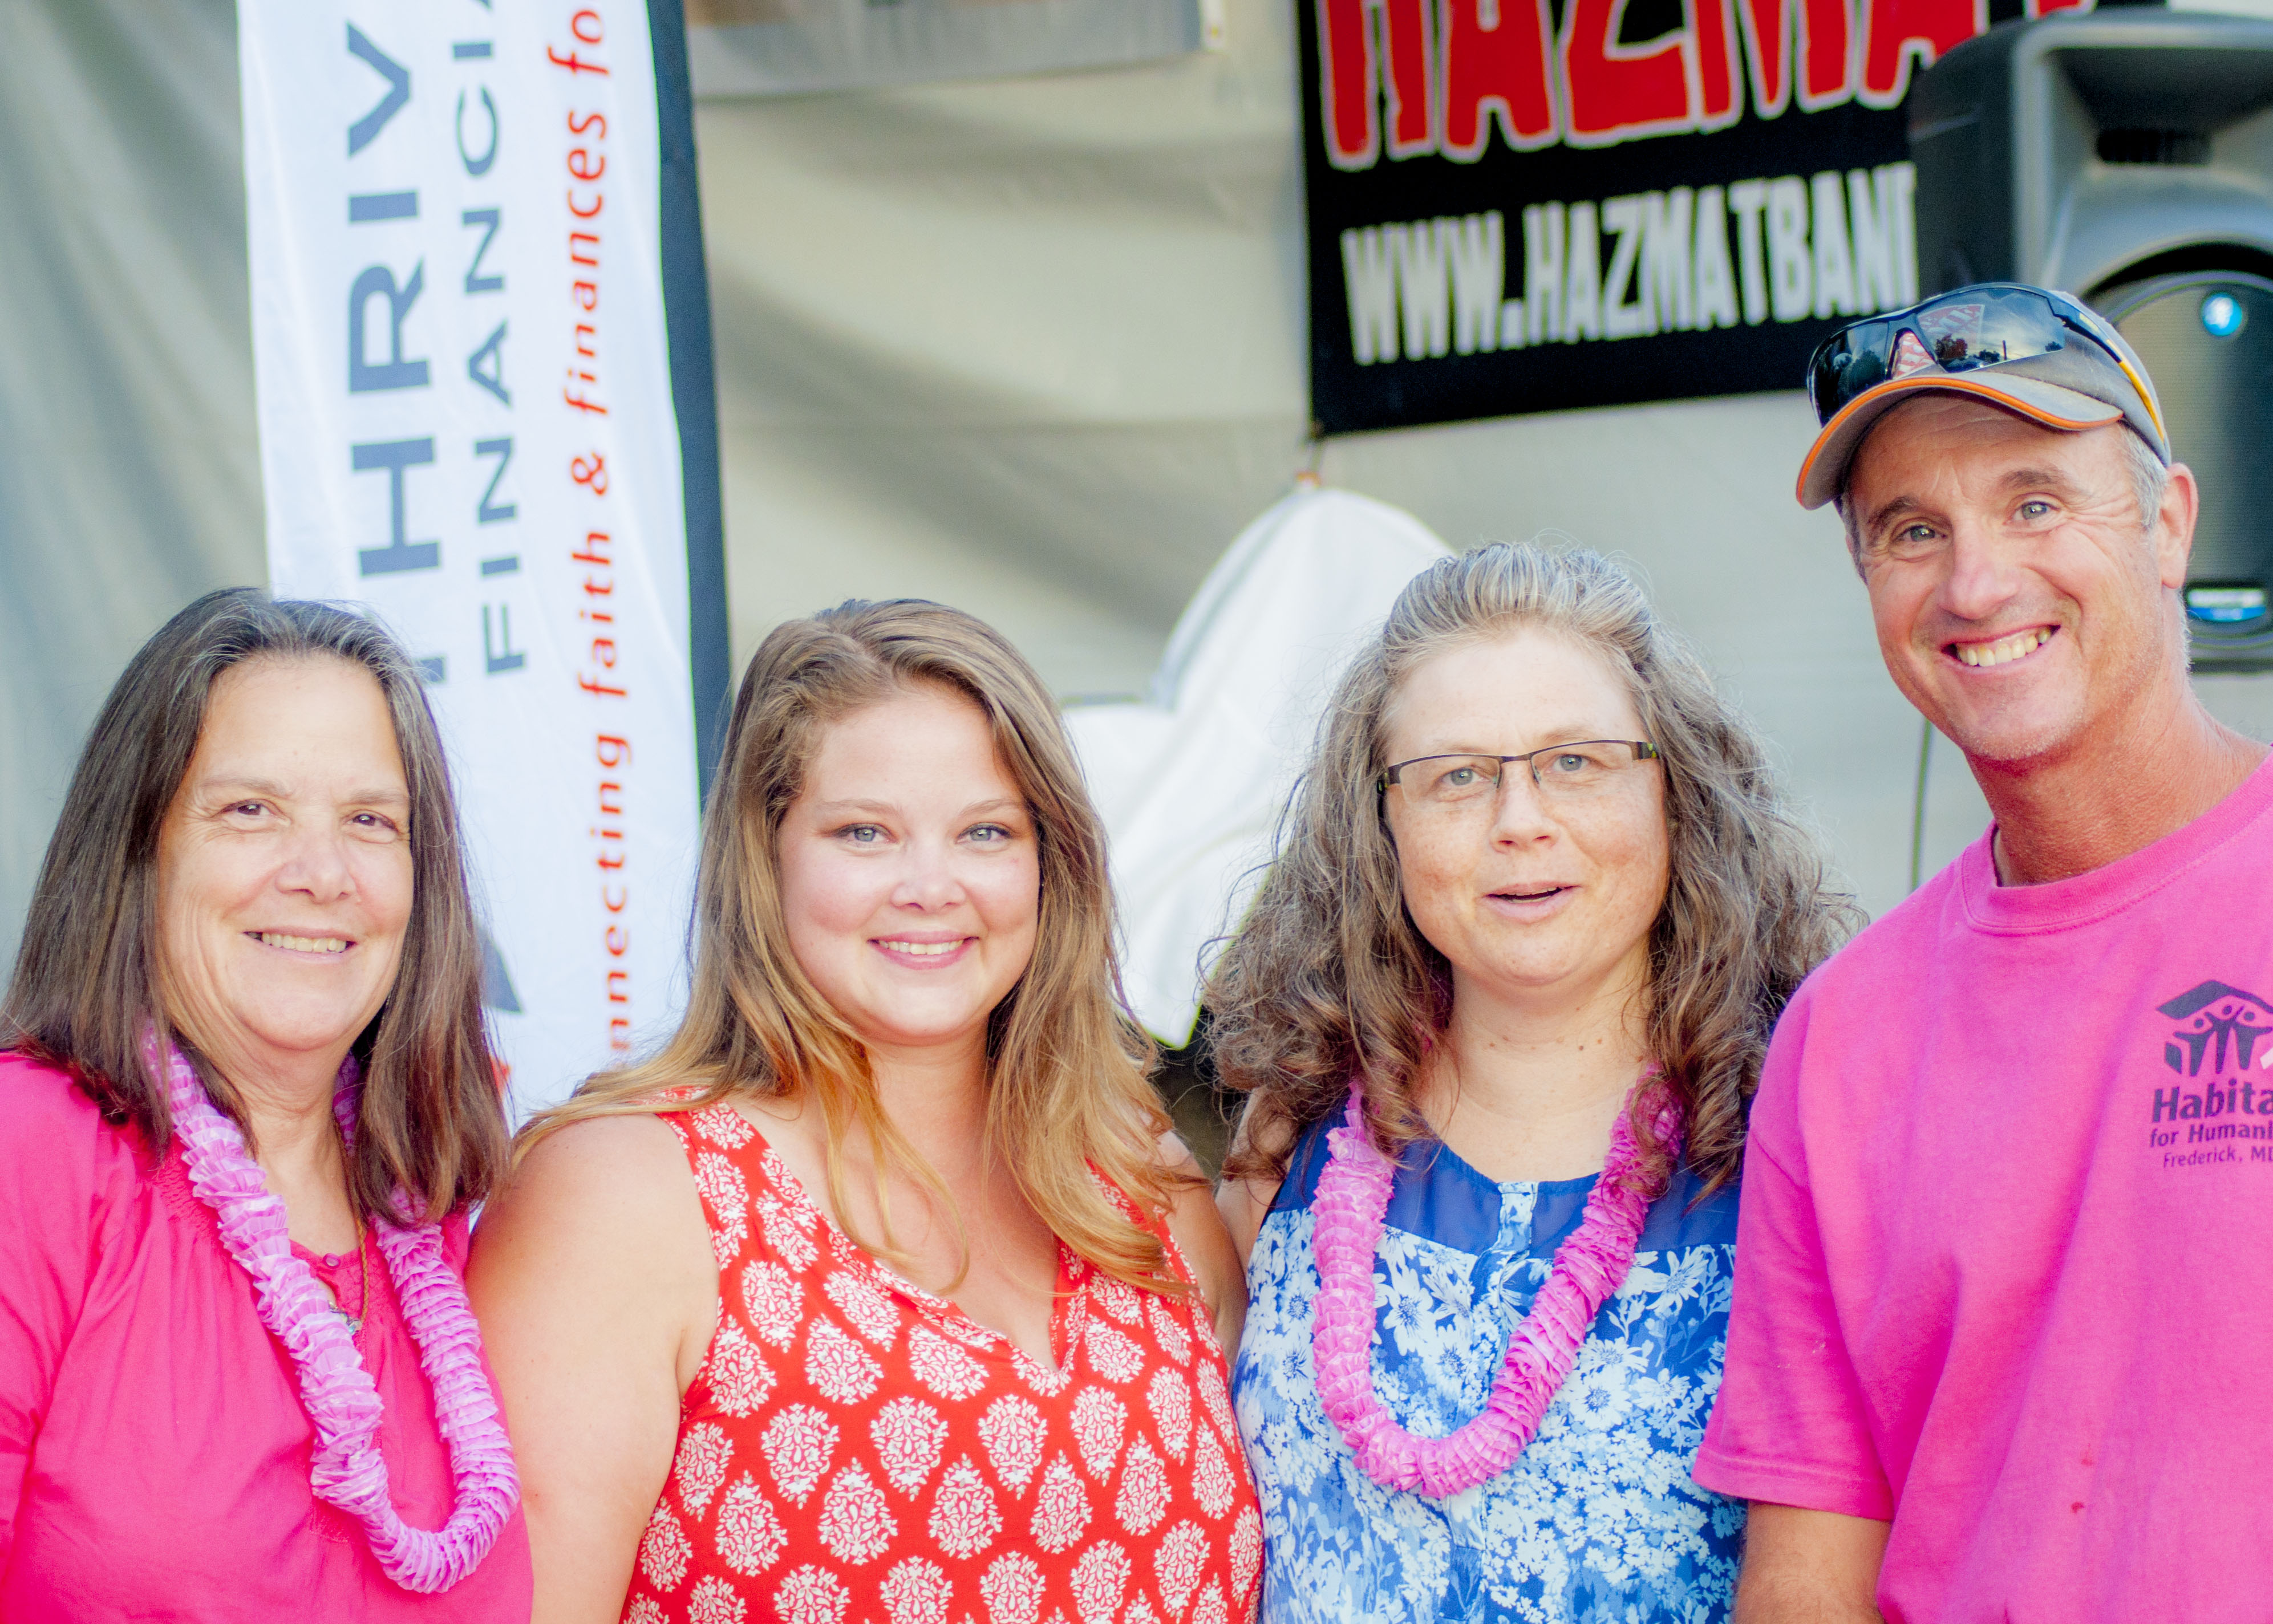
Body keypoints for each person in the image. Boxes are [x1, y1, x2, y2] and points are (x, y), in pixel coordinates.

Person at [1696, 283, 2273, 1621]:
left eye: (2035, 501)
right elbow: (1805, 1581)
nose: (1974, 581)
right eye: (1910, 529)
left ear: (2164, 526)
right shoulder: (1839, 1033)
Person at [469, 599, 1263, 1624]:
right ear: (768, 856)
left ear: (1047, 864)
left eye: (986, 831)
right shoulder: (624, 1196)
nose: (931, 886)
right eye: (864, 832)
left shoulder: (1134, 1168)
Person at [1206, 543, 1859, 1623]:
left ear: (1676, 789)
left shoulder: (1792, 1128)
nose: (1520, 820)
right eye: (1457, 775)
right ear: (1382, 827)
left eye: (1577, 761)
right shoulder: (1294, 1125)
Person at [0, 590, 529, 1618]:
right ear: (141, 850)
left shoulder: (443, 1221)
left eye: (370, 822)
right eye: (252, 810)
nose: (322, 874)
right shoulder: (31, 1148)